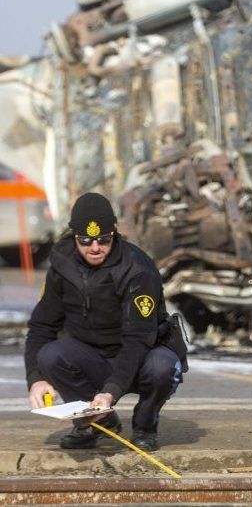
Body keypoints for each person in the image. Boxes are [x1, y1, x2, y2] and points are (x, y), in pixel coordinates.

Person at [24, 192, 185, 451]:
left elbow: (138, 339)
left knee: (163, 367)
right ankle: (97, 423)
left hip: (139, 356)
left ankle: (145, 425)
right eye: (85, 240)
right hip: (91, 355)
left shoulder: (138, 270)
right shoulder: (61, 263)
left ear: (114, 234)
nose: (95, 247)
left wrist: (110, 391)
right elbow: (42, 326)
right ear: (74, 236)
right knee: (50, 356)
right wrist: (35, 378)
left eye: (104, 239)